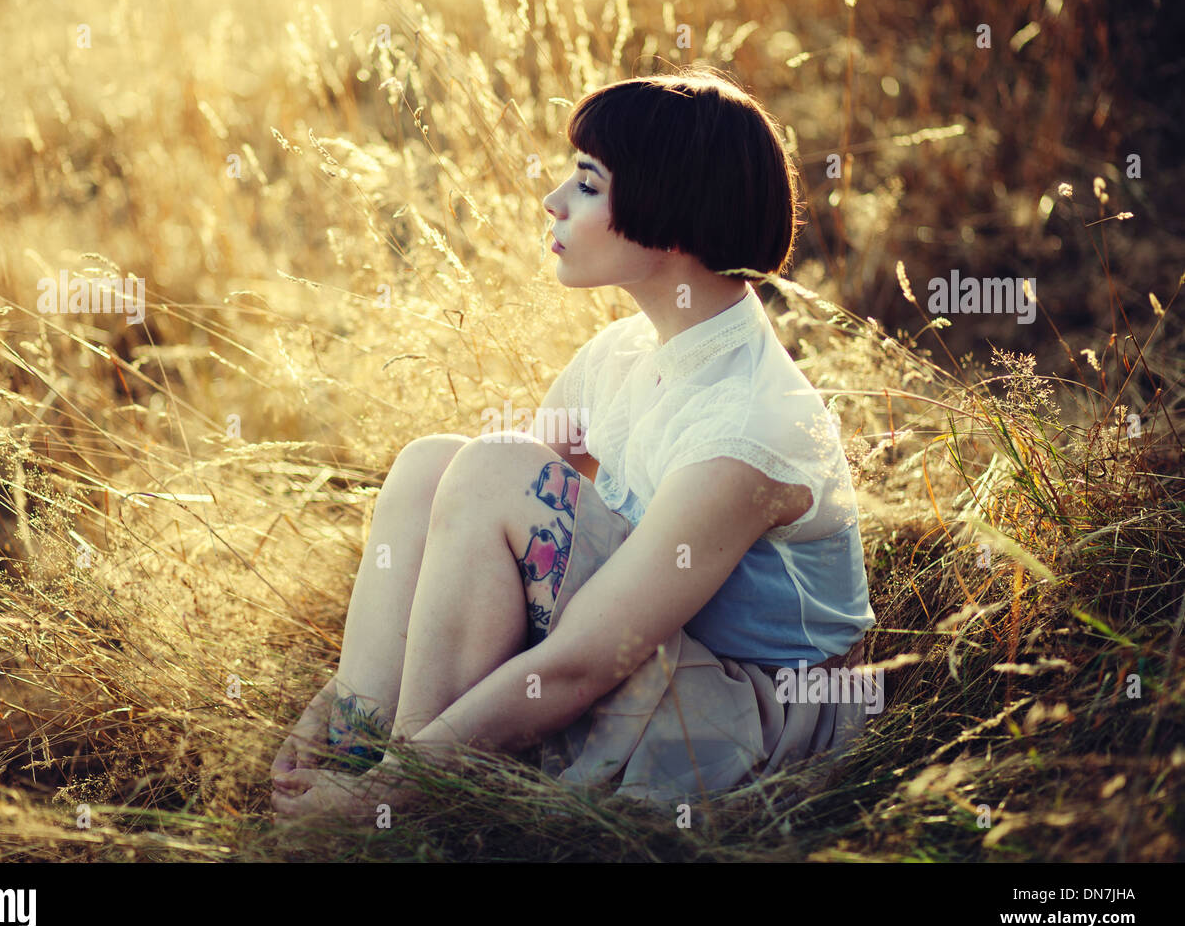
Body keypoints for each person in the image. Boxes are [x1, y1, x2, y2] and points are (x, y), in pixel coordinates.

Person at [272, 66, 877, 821]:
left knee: (491, 466)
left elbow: (586, 658)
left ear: (674, 213)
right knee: (436, 463)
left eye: (588, 184)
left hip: (751, 725)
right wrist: (342, 689)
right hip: (663, 660)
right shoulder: (623, 352)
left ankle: (404, 797)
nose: (553, 200)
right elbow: (475, 523)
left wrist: (390, 793)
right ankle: (357, 744)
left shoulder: (749, 428)